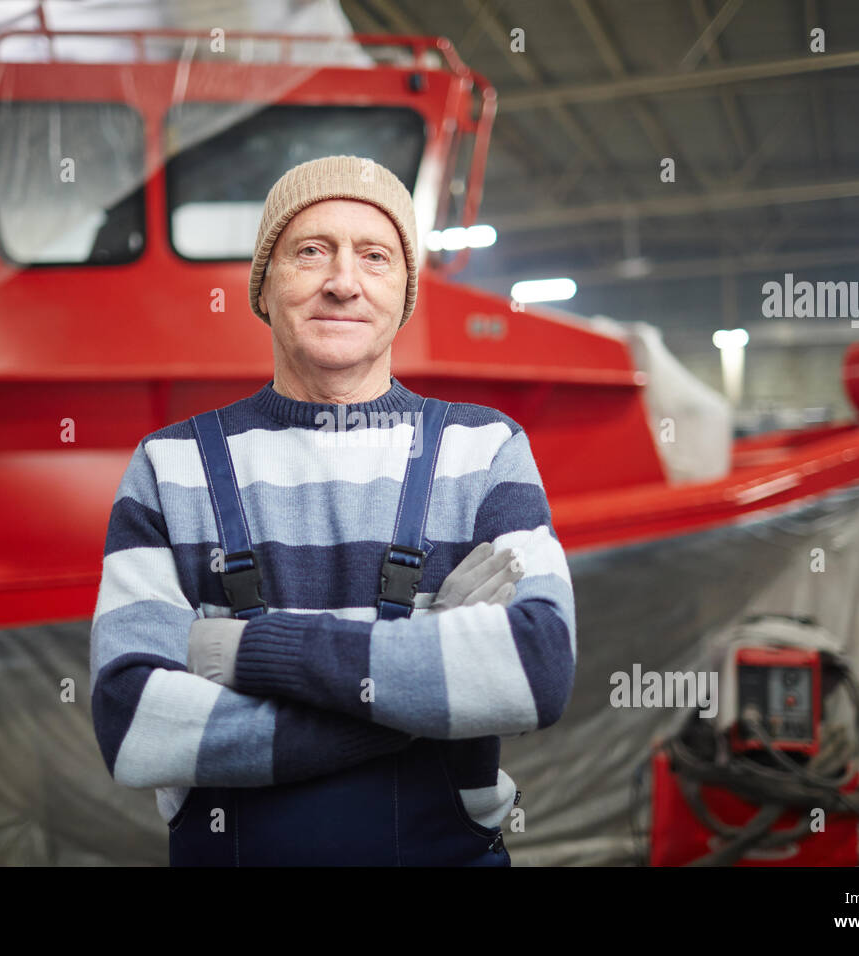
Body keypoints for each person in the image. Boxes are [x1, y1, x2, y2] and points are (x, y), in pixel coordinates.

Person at [89, 154, 576, 866]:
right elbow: (134, 726)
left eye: (375, 257)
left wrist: (254, 652)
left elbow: (534, 672)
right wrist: (428, 677)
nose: (343, 283)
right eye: (311, 251)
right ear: (265, 284)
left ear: (404, 289)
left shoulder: (484, 450)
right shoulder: (171, 466)